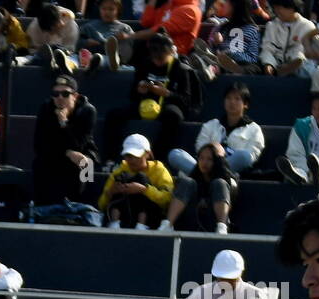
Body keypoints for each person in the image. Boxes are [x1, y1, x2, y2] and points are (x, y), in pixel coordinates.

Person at [102, 33, 199, 164]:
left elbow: (186, 100)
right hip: (145, 104)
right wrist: (139, 90)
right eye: (155, 57)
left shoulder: (180, 69)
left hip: (168, 104)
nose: (158, 61)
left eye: (161, 57)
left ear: (170, 52)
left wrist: (167, 93)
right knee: (113, 115)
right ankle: (111, 158)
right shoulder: (145, 64)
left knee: (174, 116)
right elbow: (132, 95)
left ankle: (157, 158)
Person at [167, 80, 264, 180]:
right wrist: (213, 148)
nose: (232, 102)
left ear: (245, 104)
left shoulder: (254, 129)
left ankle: (202, 177)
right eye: (228, 98)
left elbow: (251, 157)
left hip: (231, 168)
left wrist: (222, 155)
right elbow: (200, 149)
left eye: (237, 99)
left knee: (244, 156)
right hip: (206, 164)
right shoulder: (211, 124)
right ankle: (208, 176)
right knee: (175, 154)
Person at [32, 73, 97, 205]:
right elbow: (39, 144)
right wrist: (66, 152)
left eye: (65, 94)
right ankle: (43, 208)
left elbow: (79, 145)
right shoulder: (46, 109)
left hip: (81, 151)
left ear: (75, 96)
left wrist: (64, 123)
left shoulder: (88, 111)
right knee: (39, 163)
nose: (60, 98)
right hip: (55, 153)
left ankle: (84, 206)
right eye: (56, 94)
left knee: (87, 164)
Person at [98, 133, 173, 229]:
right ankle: (114, 223)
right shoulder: (120, 170)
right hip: (125, 215)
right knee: (121, 179)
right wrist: (111, 192)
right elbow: (101, 205)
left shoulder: (159, 170)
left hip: (151, 217)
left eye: (136, 156)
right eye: (128, 156)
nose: (132, 160)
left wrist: (144, 190)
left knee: (141, 178)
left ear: (147, 154)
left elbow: (167, 200)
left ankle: (142, 224)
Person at [160, 142, 237, 234]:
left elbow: (230, 189)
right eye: (201, 158)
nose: (204, 162)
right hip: (191, 220)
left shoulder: (225, 178)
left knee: (219, 183)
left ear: (216, 161)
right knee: (186, 181)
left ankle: (222, 227)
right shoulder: (195, 175)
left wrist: (220, 158)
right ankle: (167, 225)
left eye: (209, 159)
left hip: (212, 221)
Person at [195, 0, 263, 75]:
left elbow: (252, 58)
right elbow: (215, 51)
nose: (223, 3)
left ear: (236, 6)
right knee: (208, 57)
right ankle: (206, 64)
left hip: (241, 64)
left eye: (227, 1)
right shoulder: (220, 28)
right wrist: (216, 44)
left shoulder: (252, 29)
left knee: (254, 68)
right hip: (217, 60)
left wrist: (229, 53)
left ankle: (217, 69)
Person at [260, 0, 315, 75]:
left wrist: (290, 65)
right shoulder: (271, 25)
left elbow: (302, 52)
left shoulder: (307, 26)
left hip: (300, 68)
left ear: (292, 8)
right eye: (275, 8)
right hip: (277, 67)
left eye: (280, 8)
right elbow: (267, 49)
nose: (277, 11)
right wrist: (268, 64)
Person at [78, 0, 132, 70]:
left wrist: (124, 37)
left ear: (118, 10)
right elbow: (77, 42)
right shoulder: (89, 27)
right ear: (99, 9)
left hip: (118, 55)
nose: (107, 12)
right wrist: (86, 42)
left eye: (111, 9)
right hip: (94, 53)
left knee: (125, 41)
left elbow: (132, 44)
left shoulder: (125, 28)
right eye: (104, 9)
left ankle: (113, 60)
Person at [24, 2, 79, 71]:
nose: (52, 31)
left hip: (66, 55)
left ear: (59, 21)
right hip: (40, 57)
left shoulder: (71, 26)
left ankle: (66, 65)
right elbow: (32, 50)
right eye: (49, 30)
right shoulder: (33, 27)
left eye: (54, 27)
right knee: (28, 58)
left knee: (75, 58)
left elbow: (70, 50)